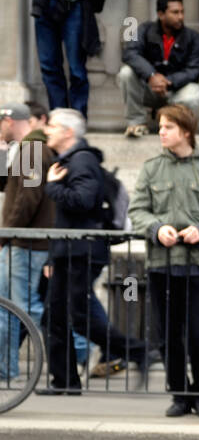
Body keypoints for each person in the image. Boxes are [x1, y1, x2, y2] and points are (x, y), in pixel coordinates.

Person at [128, 104, 199, 417]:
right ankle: (179, 393)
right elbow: (137, 210)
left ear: (185, 132)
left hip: (198, 264)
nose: (161, 132)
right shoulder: (151, 168)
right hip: (161, 263)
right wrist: (155, 228)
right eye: (160, 127)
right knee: (169, 334)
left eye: (167, 127)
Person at [38, 110, 148, 394]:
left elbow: (79, 201)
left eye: (51, 126)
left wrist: (51, 186)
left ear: (67, 132)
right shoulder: (61, 159)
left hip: (74, 249)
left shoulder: (72, 159)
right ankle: (64, 381)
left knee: (73, 315)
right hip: (65, 249)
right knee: (54, 316)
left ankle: (136, 351)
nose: (46, 130)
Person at [0, 105, 54, 381]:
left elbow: (27, 199)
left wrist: (5, 233)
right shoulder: (23, 149)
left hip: (25, 242)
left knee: (17, 308)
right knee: (11, 307)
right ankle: (5, 368)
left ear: (9, 121)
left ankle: (81, 350)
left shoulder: (32, 148)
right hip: (22, 240)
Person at [118, 0, 199, 138]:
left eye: (182, 12)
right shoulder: (144, 29)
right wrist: (151, 75)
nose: (181, 17)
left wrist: (169, 81)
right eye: (175, 12)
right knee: (126, 73)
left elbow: (195, 69)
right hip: (149, 89)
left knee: (193, 95)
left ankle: (175, 127)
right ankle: (136, 123)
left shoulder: (193, 37)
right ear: (161, 14)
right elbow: (129, 53)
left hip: (175, 90)